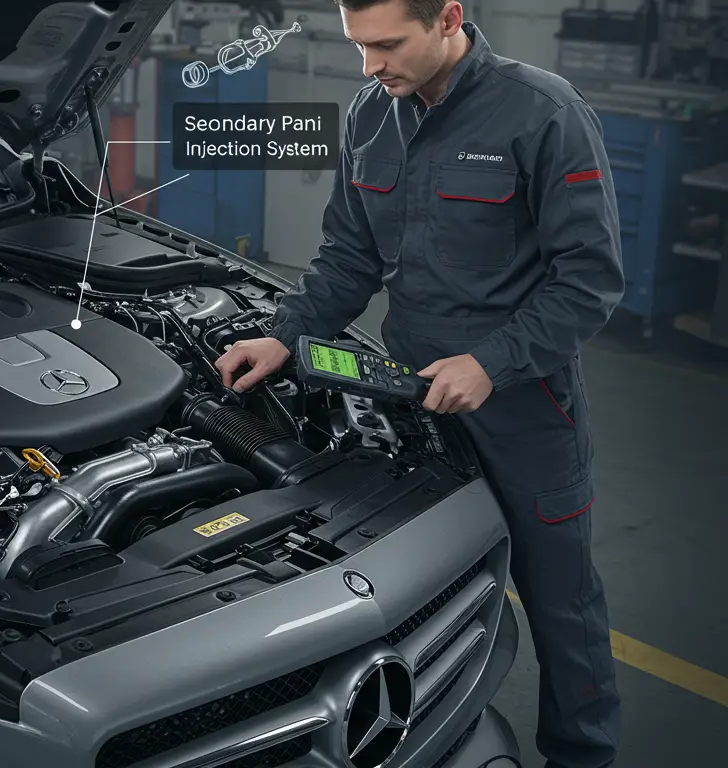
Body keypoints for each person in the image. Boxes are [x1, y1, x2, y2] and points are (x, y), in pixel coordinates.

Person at [214, 1, 623, 766]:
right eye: (358, 46)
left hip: (525, 409)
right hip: (406, 401)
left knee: (561, 601)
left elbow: (588, 283)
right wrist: (284, 333)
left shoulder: (543, 112)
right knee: (414, 586)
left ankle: (582, 754)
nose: (370, 67)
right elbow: (347, 260)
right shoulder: (374, 112)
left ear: (448, 18)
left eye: (386, 45)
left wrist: (491, 362)